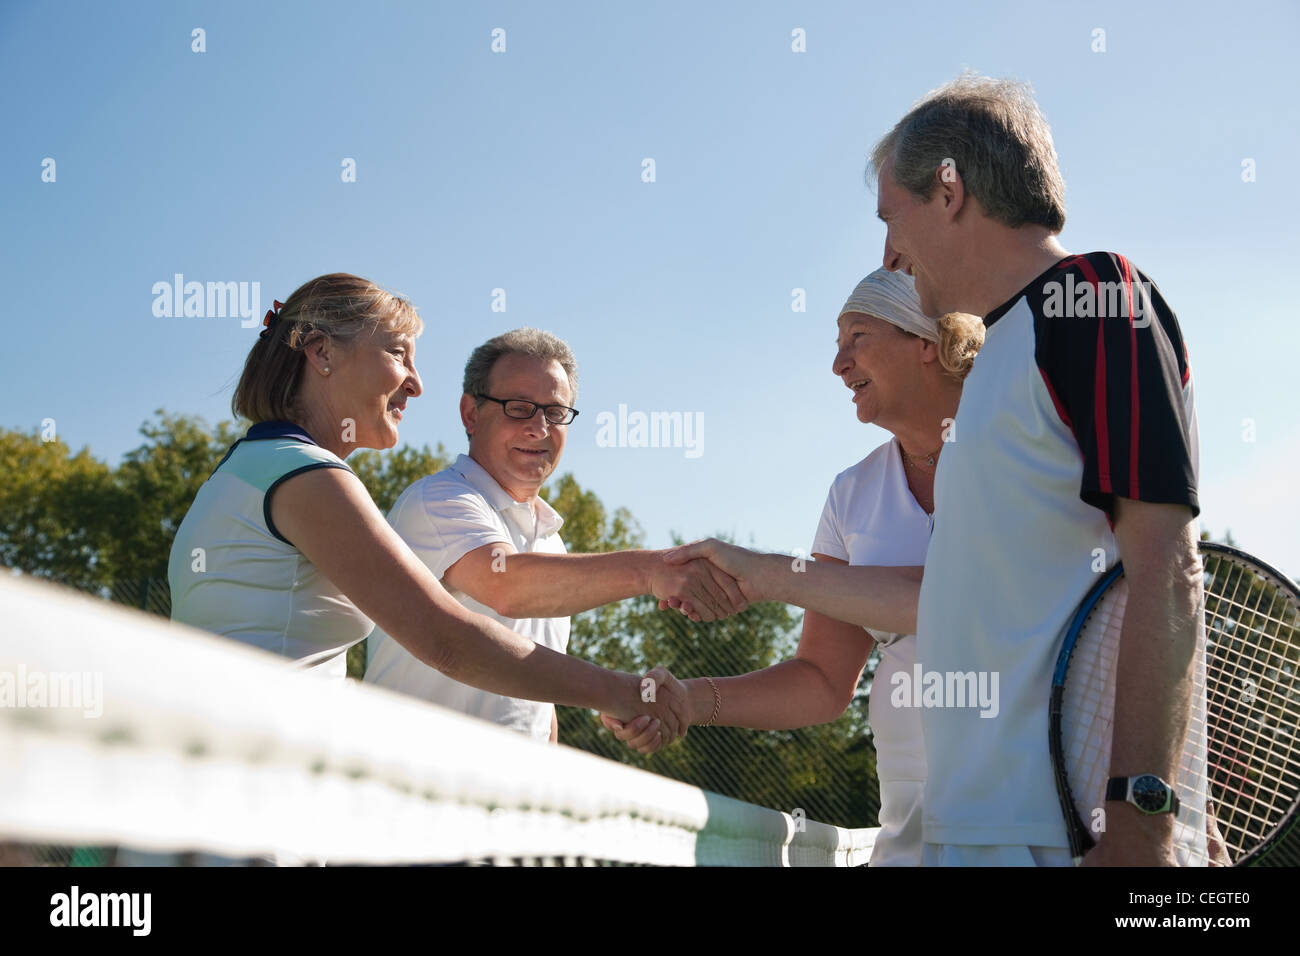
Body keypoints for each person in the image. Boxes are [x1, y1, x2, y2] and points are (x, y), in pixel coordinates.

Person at [865, 73, 1210, 866]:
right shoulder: (998, 354)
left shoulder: (1097, 297)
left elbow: (1168, 571)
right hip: (984, 832)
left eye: (892, 216)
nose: (888, 252)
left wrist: (1144, 823)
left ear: (948, 190)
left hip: (1069, 838)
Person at [167, 273, 695, 744]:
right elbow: (447, 639)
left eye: (555, 412)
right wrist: (624, 691)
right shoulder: (304, 474)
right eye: (399, 354)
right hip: (243, 786)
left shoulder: (265, 465)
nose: (417, 384)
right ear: (322, 353)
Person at [604, 269, 984, 866]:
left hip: (1035, 820)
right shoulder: (851, 493)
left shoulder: (1013, 451)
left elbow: (961, 597)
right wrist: (686, 701)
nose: (839, 364)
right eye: (837, 347)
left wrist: (768, 575)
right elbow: (821, 681)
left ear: (926, 343)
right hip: (910, 838)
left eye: (857, 337)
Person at [364, 328, 745, 743]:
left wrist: (620, 711)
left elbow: (537, 705)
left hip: (514, 801)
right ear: (470, 413)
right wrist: (654, 571)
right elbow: (505, 585)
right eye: (519, 407)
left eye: (556, 412)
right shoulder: (436, 499)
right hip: (414, 789)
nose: (539, 428)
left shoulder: (551, 544)